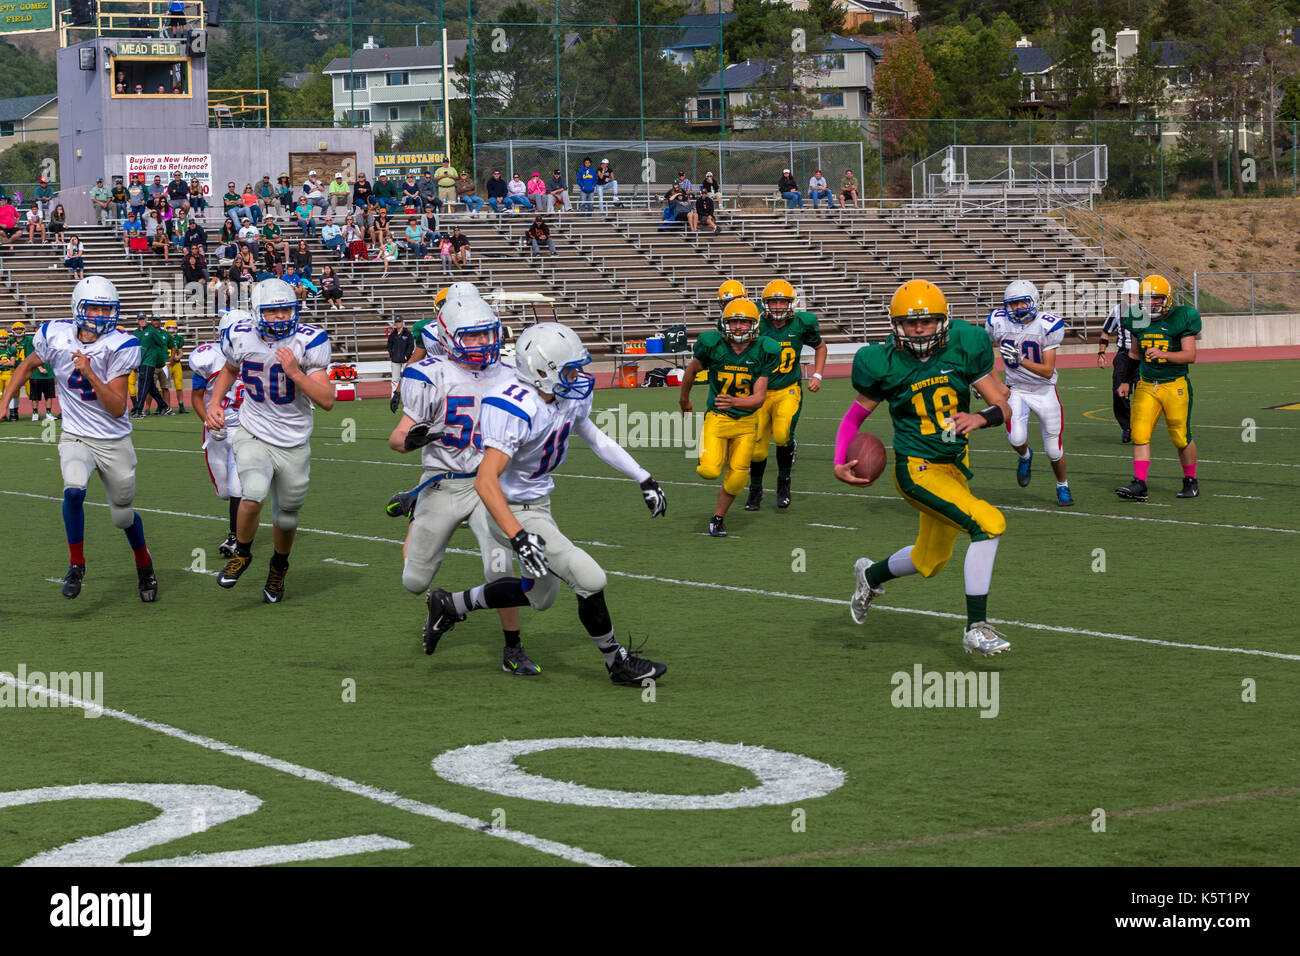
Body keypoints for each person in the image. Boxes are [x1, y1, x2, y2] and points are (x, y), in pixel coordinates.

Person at [423, 320, 669, 685]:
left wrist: (642, 476)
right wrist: (518, 535)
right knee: (590, 579)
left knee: (539, 596)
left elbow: (596, 438)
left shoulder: (568, 396)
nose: (580, 376)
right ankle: (616, 663)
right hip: (508, 510)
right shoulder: (513, 406)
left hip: (539, 504)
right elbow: (485, 481)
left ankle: (451, 605)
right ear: (542, 372)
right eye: (571, 369)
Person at [835, 279, 1012, 656]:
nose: (919, 329)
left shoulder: (965, 345)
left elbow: (1003, 404)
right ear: (895, 324)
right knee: (989, 523)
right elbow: (853, 419)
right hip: (917, 470)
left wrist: (980, 419)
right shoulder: (882, 361)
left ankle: (870, 576)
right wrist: (839, 461)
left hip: (955, 465)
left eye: (928, 321)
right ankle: (976, 628)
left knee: (929, 560)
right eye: (911, 323)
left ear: (943, 321)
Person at [384, 287, 525, 666]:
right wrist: (414, 440)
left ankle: (513, 646)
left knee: (499, 565)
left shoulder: (511, 373)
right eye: (472, 335)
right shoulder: (431, 374)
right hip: (444, 478)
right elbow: (397, 437)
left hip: (488, 483)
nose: (482, 343)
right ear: (448, 337)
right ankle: (437, 600)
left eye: (487, 334)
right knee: (414, 582)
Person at [0, 277, 158, 601]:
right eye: (95, 307)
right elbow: (28, 365)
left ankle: (144, 564)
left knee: (123, 516)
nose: (101, 315)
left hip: (114, 440)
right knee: (73, 491)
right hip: (75, 435)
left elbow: (116, 407)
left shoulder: (122, 344)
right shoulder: (55, 335)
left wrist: (89, 372)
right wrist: (5, 400)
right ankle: (76, 564)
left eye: (107, 308)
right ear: (78, 309)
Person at [203, 279, 334, 603]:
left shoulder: (309, 341)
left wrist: (296, 373)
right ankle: (243, 552)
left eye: (285, 311)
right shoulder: (241, 335)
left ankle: (279, 566)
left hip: (293, 438)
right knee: (253, 494)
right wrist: (215, 403)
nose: (280, 318)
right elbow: (230, 370)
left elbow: (328, 400)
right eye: (272, 312)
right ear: (257, 313)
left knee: (286, 516)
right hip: (253, 430)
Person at [678, 298, 780, 537]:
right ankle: (707, 457)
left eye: (744, 323)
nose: (738, 327)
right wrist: (684, 399)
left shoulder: (764, 350)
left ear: (754, 325)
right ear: (725, 323)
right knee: (710, 471)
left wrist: (736, 401)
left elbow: (759, 398)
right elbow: (691, 371)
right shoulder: (713, 345)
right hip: (718, 418)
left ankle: (717, 519)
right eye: (734, 322)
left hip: (746, 423)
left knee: (736, 480)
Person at [986, 279, 1073, 506]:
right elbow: (982, 354)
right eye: (1012, 304)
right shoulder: (998, 322)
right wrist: (991, 384)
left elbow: (1047, 371)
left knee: (1054, 449)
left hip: (1044, 391)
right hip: (1016, 389)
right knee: (1016, 438)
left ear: (1034, 301)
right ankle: (1025, 455)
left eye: (1022, 303)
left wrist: (1020, 360)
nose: (1017, 309)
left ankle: (1062, 485)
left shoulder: (1048, 325)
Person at [1115, 274, 1201, 501]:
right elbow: (1133, 353)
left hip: (1174, 384)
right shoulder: (1135, 318)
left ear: (1167, 299)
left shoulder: (1182, 317)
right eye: (1147, 298)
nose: (1151, 303)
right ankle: (1139, 484)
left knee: (1180, 437)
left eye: (1157, 298)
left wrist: (1164, 354)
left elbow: (1190, 355)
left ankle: (1190, 480)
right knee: (1140, 433)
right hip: (1146, 384)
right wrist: (1124, 380)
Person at [744, 280, 826, 512]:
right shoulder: (756, 322)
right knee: (758, 447)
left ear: (792, 303)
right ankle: (755, 490)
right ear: (765, 304)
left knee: (781, 436)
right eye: (773, 301)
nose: (778, 306)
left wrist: (817, 375)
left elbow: (820, 346)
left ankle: (783, 484)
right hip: (758, 392)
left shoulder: (802, 323)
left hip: (787, 389)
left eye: (783, 301)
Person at [190, 312, 250, 557]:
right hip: (217, 431)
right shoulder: (209, 359)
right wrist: (208, 420)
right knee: (224, 492)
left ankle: (235, 538)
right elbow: (196, 397)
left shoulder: (255, 356)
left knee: (238, 488)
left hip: (245, 429)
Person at [1098, 278, 1141, 443]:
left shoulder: (1146, 311)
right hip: (1124, 355)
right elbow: (1105, 332)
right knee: (1119, 392)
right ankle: (1127, 427)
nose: (1130, 299)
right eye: (1127, 295)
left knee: (1143, 392)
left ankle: (1140, 426)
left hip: (1142, 357)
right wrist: (1101, 354)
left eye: (1133, 295)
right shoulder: (1117, 310)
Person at [14, 319, 58, 420]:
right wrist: (40, 367)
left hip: (49, 373)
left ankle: (48, 413)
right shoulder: (32, 341)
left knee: (49, 395)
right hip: (36, 374)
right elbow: (30, 357)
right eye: (38, 328)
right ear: (35, 329)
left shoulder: (51, 340)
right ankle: (35, 413)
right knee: (35, 396)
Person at [130, 313, 169, 417]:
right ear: (137, 320)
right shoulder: (136, 333)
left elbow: (162, 344)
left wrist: (165, 359)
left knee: (142, 384)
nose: (142, 321)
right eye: (140, 319)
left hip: (150, 361)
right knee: (150, 386)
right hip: (141, 362)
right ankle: (164, 406)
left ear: (146, 319)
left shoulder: (152, 330)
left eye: (143, 319)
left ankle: (138, 409)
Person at [386, 318, 414, 403]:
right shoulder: (393, 334)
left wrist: (407, 355)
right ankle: (394, 398)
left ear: (403, 323)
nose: (398, 323)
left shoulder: (408, 334)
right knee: (395, 380)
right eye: (396, 322)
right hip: (395, 360)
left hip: (405, 360)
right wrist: (392, 354)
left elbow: (411, 345)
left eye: (399, 322)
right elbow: (389, 345)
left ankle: (408, 398)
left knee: (407, 379)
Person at [164, 319, 188, 414]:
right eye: (169, 328)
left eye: (173, 328)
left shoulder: (179, 338)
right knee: (164, 387)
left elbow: (181, 352)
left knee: (179, 386)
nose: (171, 330)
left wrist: (177, 357)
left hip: (176, 364)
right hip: (166, 364)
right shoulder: (163, 337)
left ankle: (181, 406)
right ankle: (165, 406)